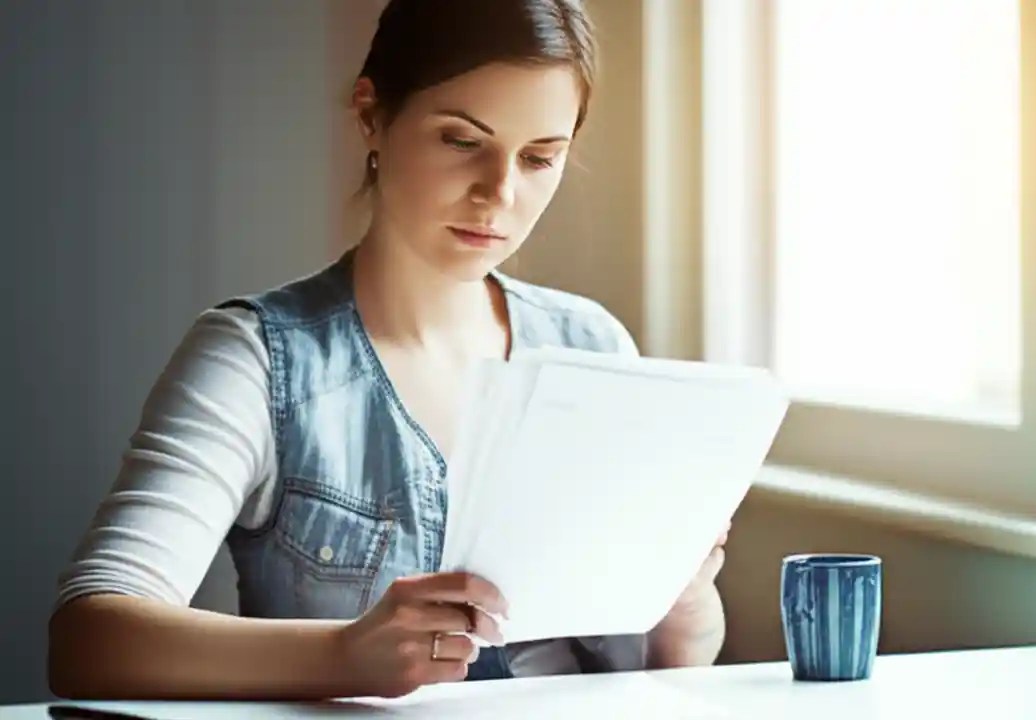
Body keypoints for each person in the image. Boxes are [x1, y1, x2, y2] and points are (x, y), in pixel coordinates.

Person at [47, 0, 728, 701]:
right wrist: (343, 654)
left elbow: (653, 676)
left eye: (538, 158)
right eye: (461, 141)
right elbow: (88, 639)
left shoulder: (593, 348)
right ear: (371, 115)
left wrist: (686, 603)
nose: (499, 193)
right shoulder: (257, 360)